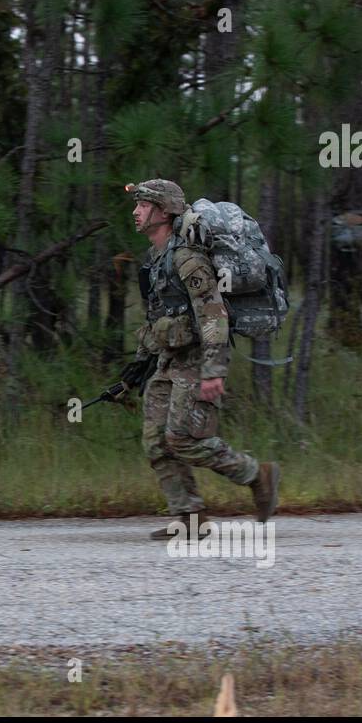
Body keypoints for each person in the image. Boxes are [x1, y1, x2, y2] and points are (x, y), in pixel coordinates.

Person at [124, 179, 280, 539]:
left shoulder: (187, 258)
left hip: (195, 361)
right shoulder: (157, 258)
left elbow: (213, 314)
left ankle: (257, 474)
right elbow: (158, 317)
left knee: (183, 438)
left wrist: (214, 371)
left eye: (143, 205)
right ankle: (189, 516)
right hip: (168, 361)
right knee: (156, 441)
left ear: (163, 211)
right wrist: (138, 366)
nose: (136, 211)